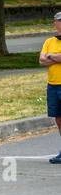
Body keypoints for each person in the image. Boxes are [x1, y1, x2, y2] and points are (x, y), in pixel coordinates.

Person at [39, 12, 61, 165]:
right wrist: (56, 56)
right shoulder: (49, 41)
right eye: (59, 21)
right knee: (58, 119)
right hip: (52, 85)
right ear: (55, 23)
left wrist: (50, 57)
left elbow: (48, 58)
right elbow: (41, 60)